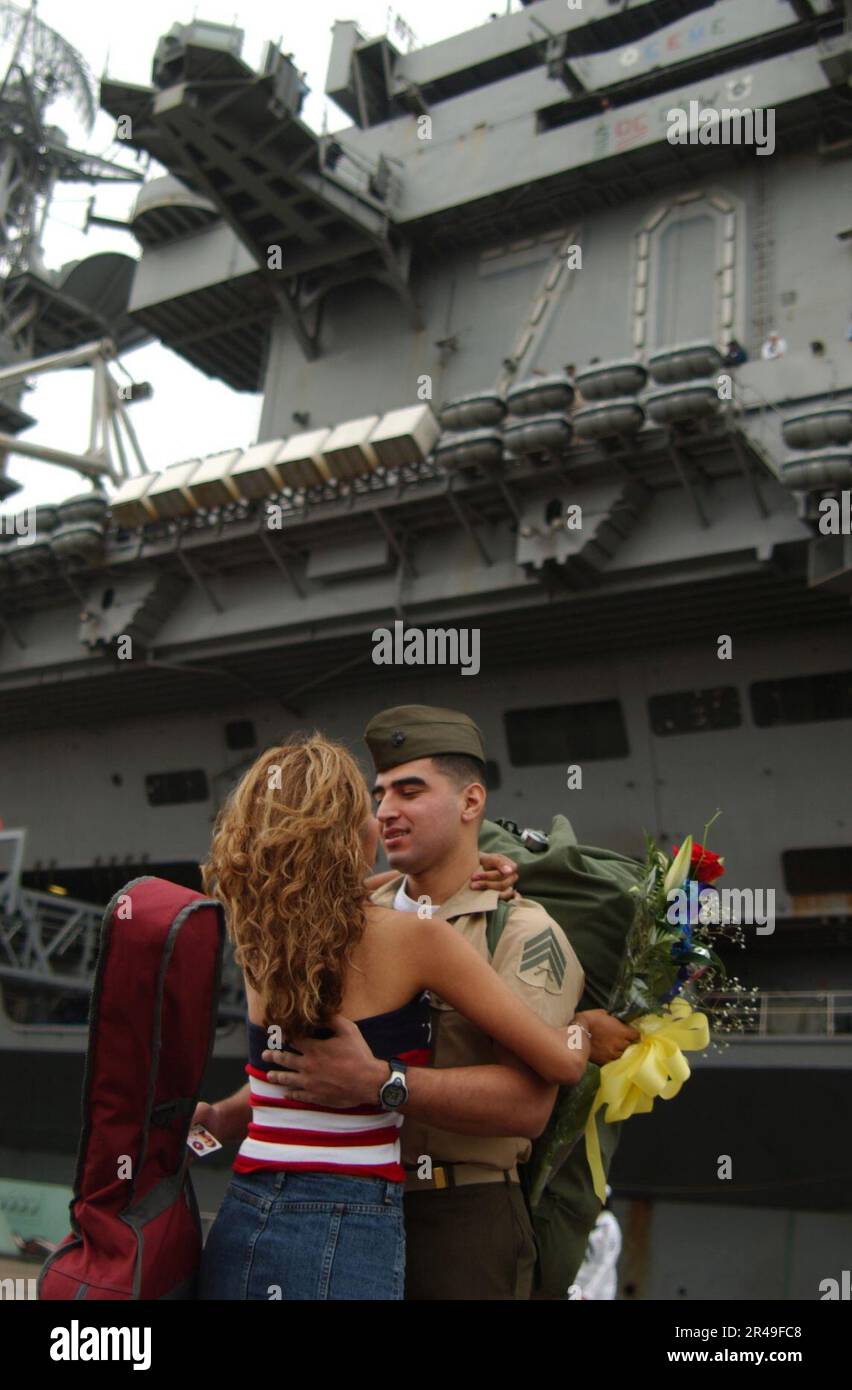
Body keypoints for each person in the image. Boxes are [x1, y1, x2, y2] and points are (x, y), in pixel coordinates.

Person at [209, 705, 638, 1300]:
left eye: (410, 791)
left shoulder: (520, 933)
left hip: (458, 1217)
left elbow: (528, 1107)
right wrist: (233, 1111)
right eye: (378, 794)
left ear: (470, 803)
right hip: (357, 1203)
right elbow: (312, 1060)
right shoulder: (351, 909)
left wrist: (383, 1082)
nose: (386, 811)